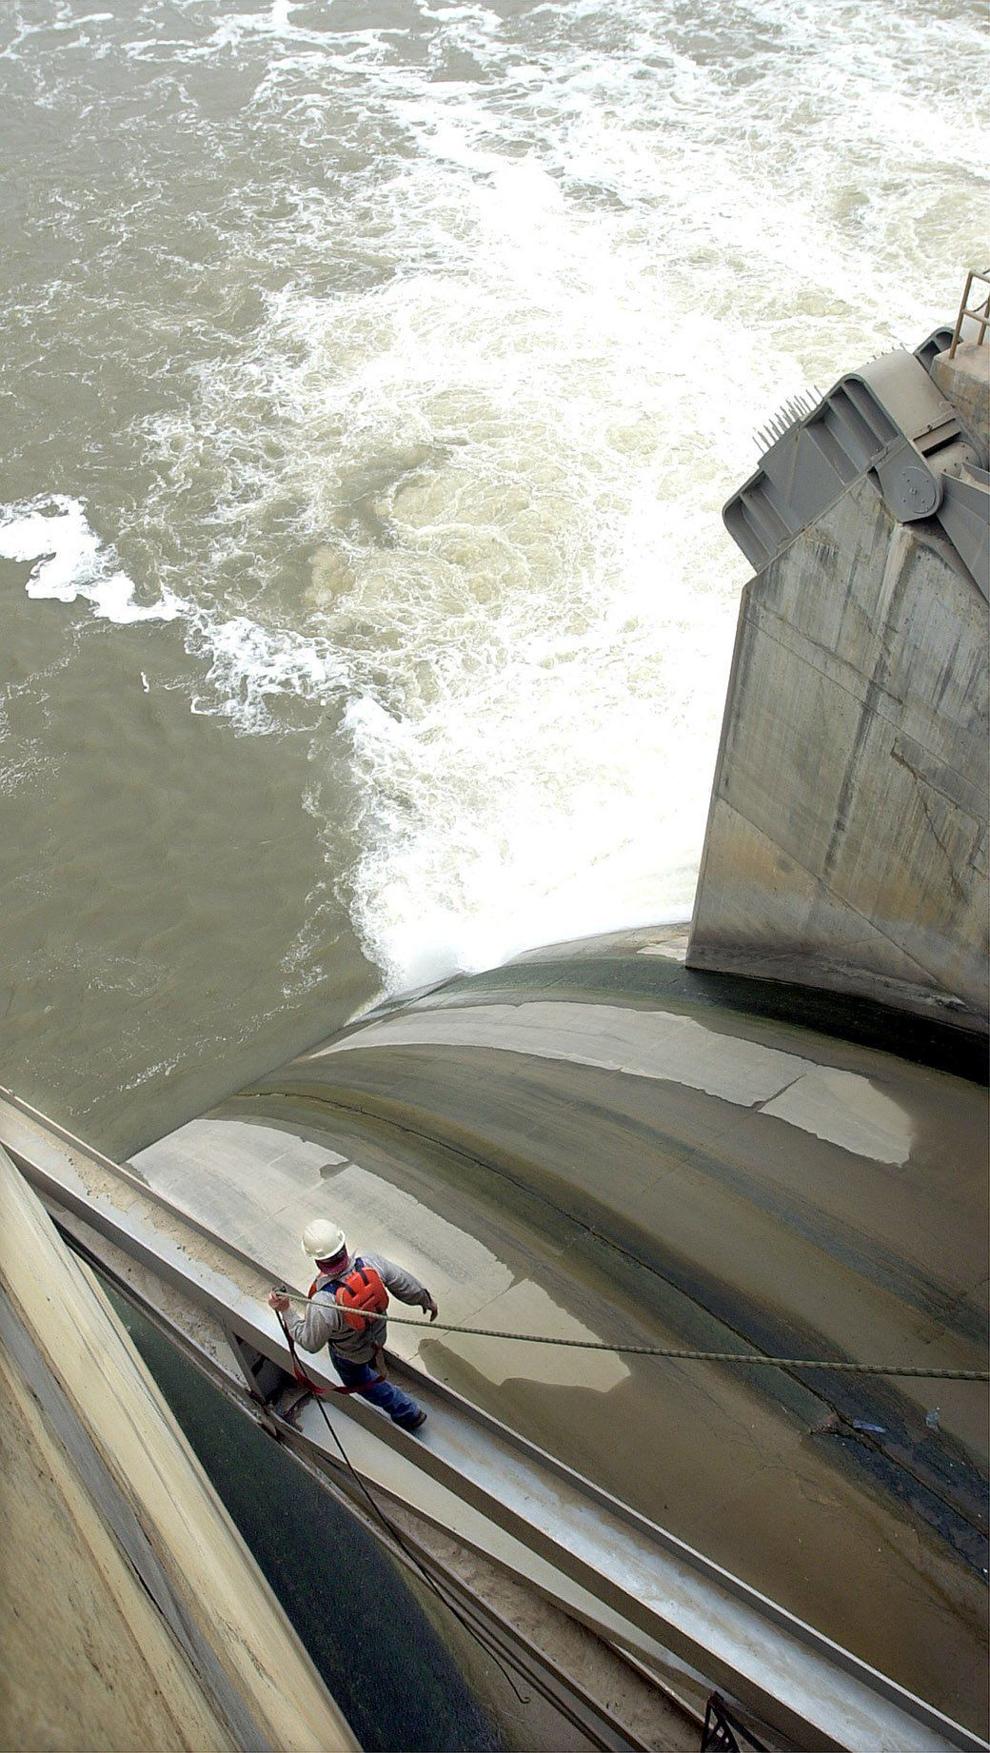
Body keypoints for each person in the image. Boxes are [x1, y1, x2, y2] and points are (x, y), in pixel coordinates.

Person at [268, 1220, 438, 1433]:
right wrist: (425, 1299)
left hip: (349, 1354)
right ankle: (376, 1364)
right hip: (377, 1336)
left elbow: (310, 1343)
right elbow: (404, 1283)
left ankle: (407, 1412)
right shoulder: (370, 1263)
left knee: (363, 1382)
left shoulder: (324, 1301)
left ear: (317, 1261)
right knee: (370, 1358)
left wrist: (285, 1310)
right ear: (343, 1245)